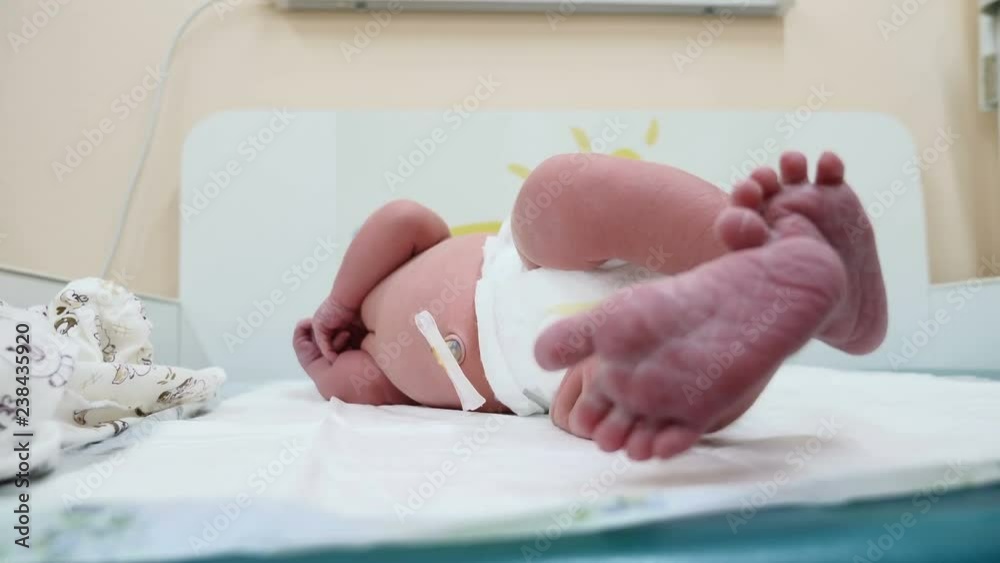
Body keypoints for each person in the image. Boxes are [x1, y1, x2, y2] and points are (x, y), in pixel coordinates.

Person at [293, 151, 887, 461]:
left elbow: (402, 217)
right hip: (548, 378)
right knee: (610, 402)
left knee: (556, 195)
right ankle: (791, 311)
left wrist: (342, 300)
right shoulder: (383, 376)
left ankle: (760, 253)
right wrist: (322, 370)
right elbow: (365, 391)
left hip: (528, 270)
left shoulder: (386, 274)